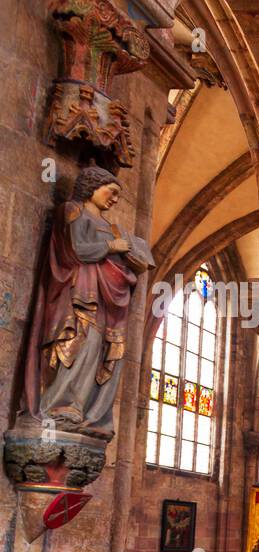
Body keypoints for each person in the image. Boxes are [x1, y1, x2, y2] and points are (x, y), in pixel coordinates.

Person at [21, 166, 151, 439]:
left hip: (107, 299)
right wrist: (111, 248)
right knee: (81, 342)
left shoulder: (114, 227)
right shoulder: (73, 210)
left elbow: (137, 261)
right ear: (92, 186)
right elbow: (75, 248)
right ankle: (60, 406)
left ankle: (88, 412)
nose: (115, 199)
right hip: (78, 292)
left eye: (118, 195)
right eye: (111, 192)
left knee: (102, 350)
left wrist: (129, 256)